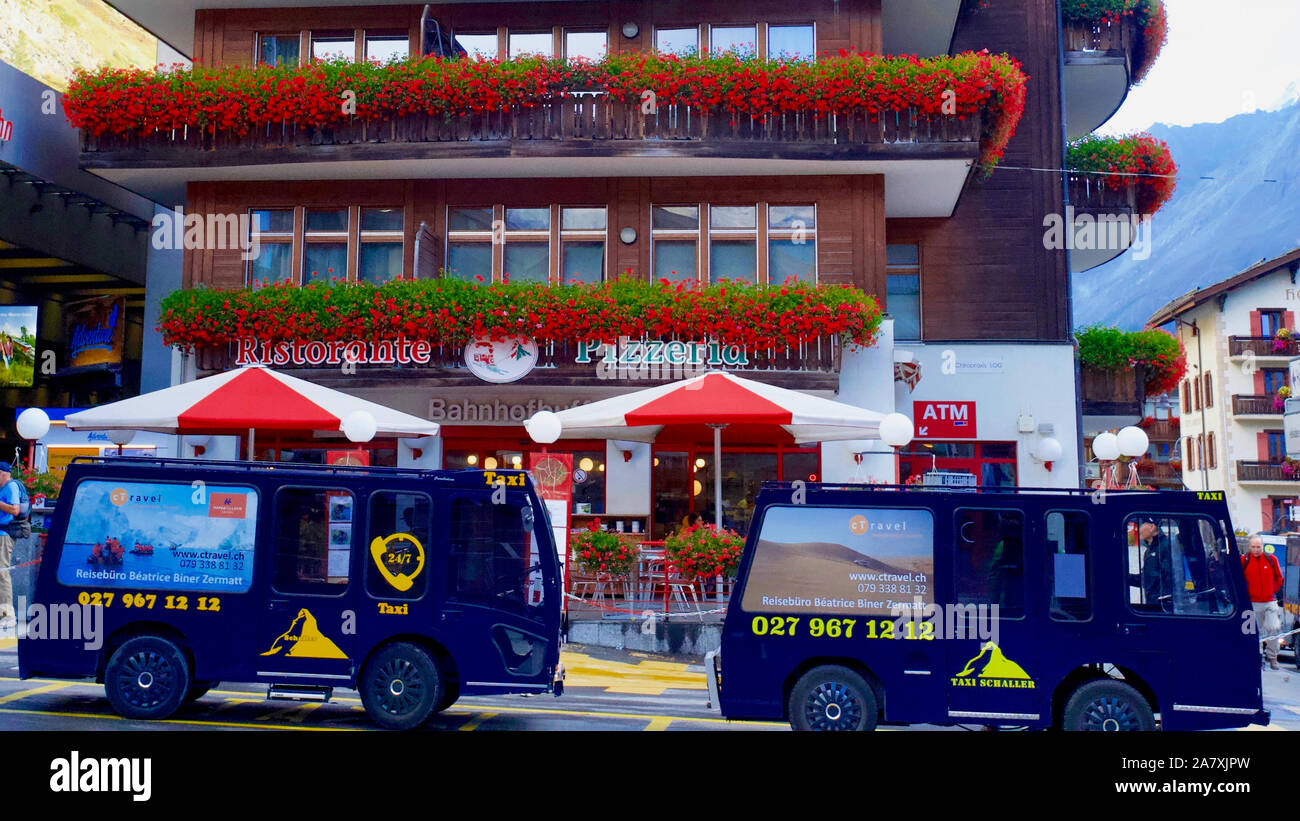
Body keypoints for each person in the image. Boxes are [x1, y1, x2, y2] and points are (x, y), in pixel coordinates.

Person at [1242, 534, 1285, 670]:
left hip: (1269, 601)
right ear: (1249, 547)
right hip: (1252, 602)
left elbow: (1279, 577)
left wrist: (1273, 590)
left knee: (1273, 628)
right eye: (1253, 547)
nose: (1256, 550)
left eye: (1258, 547)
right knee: (1253, 632)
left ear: (1263, 546)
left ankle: (1272, 658)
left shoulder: (1271, 559)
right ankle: (1258, 658)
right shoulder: (1244, 560)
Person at [0, 462, 23, 628]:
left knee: (2, 573)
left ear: (2, 473)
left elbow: (15, 510)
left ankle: (8, 615)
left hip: (4, 535)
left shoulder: (11, 487)